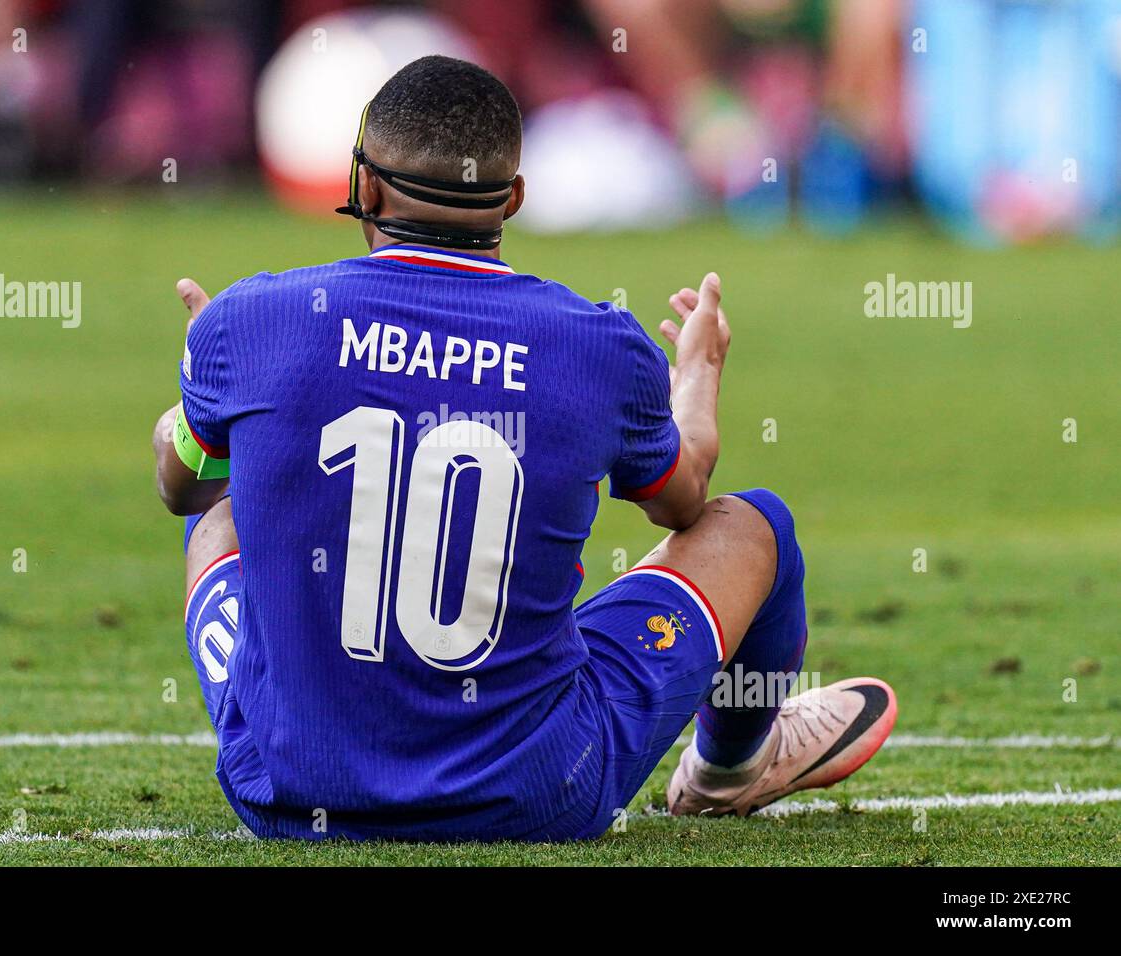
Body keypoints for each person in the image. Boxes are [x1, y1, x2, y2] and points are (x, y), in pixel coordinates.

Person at [151, 54, 896, 841]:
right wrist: (697, 382)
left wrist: (203, 398)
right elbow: (683, 501)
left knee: (223, 512)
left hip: (286, 793)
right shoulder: (596, 344)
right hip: (535, 793)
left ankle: (312, 739)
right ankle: (731, 766)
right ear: (513, 198)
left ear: (364, 188)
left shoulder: (249, 319)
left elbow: (181, 489)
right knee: (758, 527)